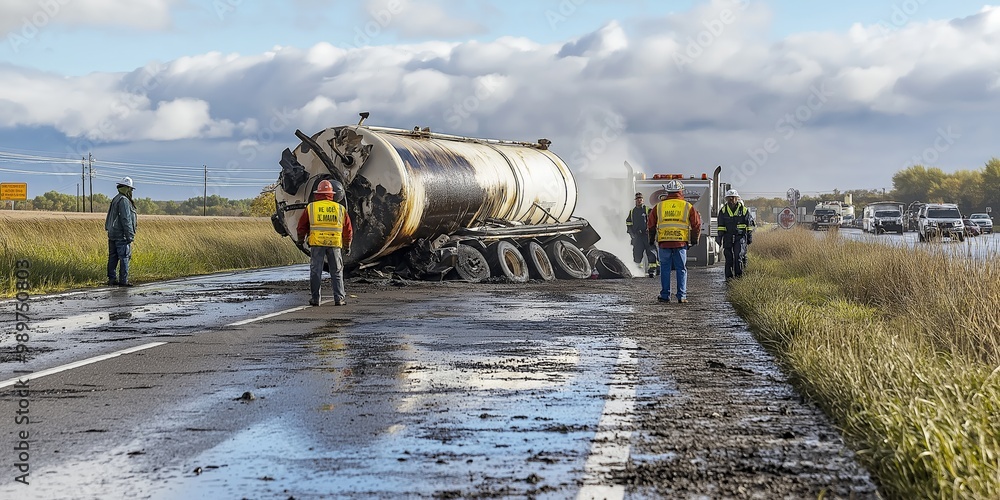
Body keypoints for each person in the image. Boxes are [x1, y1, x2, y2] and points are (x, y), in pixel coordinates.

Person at [297, 179, 353, 306]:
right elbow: (348, 229)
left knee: (316, 271)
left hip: (317, 243)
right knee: (337, 271)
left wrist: (301, 240)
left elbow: (302, 226)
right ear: (332, 194)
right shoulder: (340, 208)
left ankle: (316, 299)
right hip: (334, 244)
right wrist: (347, 245)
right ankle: (339, 298)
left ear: (317, 194)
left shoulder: (311, 207)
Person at [647, 180, 702, 303]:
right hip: (680, 243)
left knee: (665, 269)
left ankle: (665, 295)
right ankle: (681, 296)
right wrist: (694, 239)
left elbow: (650, 224)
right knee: (681, 269)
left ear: (667, 191)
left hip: (664, 242)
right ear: (681, 191)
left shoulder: (659, 206)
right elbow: (697, 224)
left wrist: (651, 239)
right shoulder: (687, 206)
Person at [105, 176, 137, 287]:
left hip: (112, 233)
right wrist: (130, 235)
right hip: (121, 235)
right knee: (124, 257)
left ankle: (112, 279)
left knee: (113, 257)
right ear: (128, 188)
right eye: (131, 189)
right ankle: (123, 281)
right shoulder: (124, 200)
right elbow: (126, 219)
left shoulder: (116, 198)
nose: (131, 191)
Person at [716, 189, 754, 280]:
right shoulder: (723, 211)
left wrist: (749, 236)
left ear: (737, 198)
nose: (731, 199)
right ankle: (728, 278)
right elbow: (720, 226)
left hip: (740, 236)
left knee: (738, 256)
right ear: (726, 199)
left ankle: (739, 277)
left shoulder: (744, 210)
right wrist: (719, 237)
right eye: (729, 198)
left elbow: (749, 225)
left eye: (733, 197)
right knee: (728, 257)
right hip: (728, 236)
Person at [625, 192, 658, 278]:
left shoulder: (647, 210)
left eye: (640, 198)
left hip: (647, 236)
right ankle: (638, 271)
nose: (639, 200)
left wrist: (651, 231)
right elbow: (628, 223)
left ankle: (652, 271)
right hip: (637, 236)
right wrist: (631, 234)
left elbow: (654, 222)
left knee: (651, 253)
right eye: (637, 199)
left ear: (643, 200)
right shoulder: (632, 212)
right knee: (637, 254)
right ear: (635, 201)